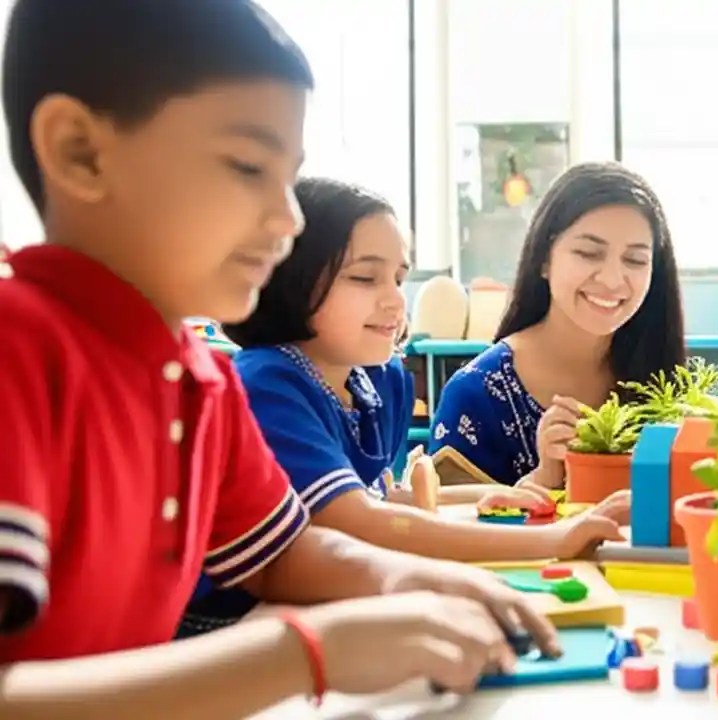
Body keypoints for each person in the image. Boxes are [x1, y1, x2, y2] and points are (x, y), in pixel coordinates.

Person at [0, 2, 558, 717]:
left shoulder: (200, 379)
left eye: (288, 178)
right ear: (80, 152)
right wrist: (309, 652)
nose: (289, 219)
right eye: (247, 166)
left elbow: (282, 554)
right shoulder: (19, 350)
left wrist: (410, 581)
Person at [180, 177, 628, 634]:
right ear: (288, 277)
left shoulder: (380, 381)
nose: (396, 300)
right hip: (228, 629)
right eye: (364, 277)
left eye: (399, 278)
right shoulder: (267, 385)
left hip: (319, 608)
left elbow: (377, 499)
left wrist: (478, 497)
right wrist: (553, 540)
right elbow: (359, 523)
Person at [428, 162, 686, 488]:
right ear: (544, 259)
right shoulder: (476, 394)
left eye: (635, 260)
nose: (612, 279)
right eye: (588, 253)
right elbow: (443, 515)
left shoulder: (666, 382)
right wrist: (542, 479)